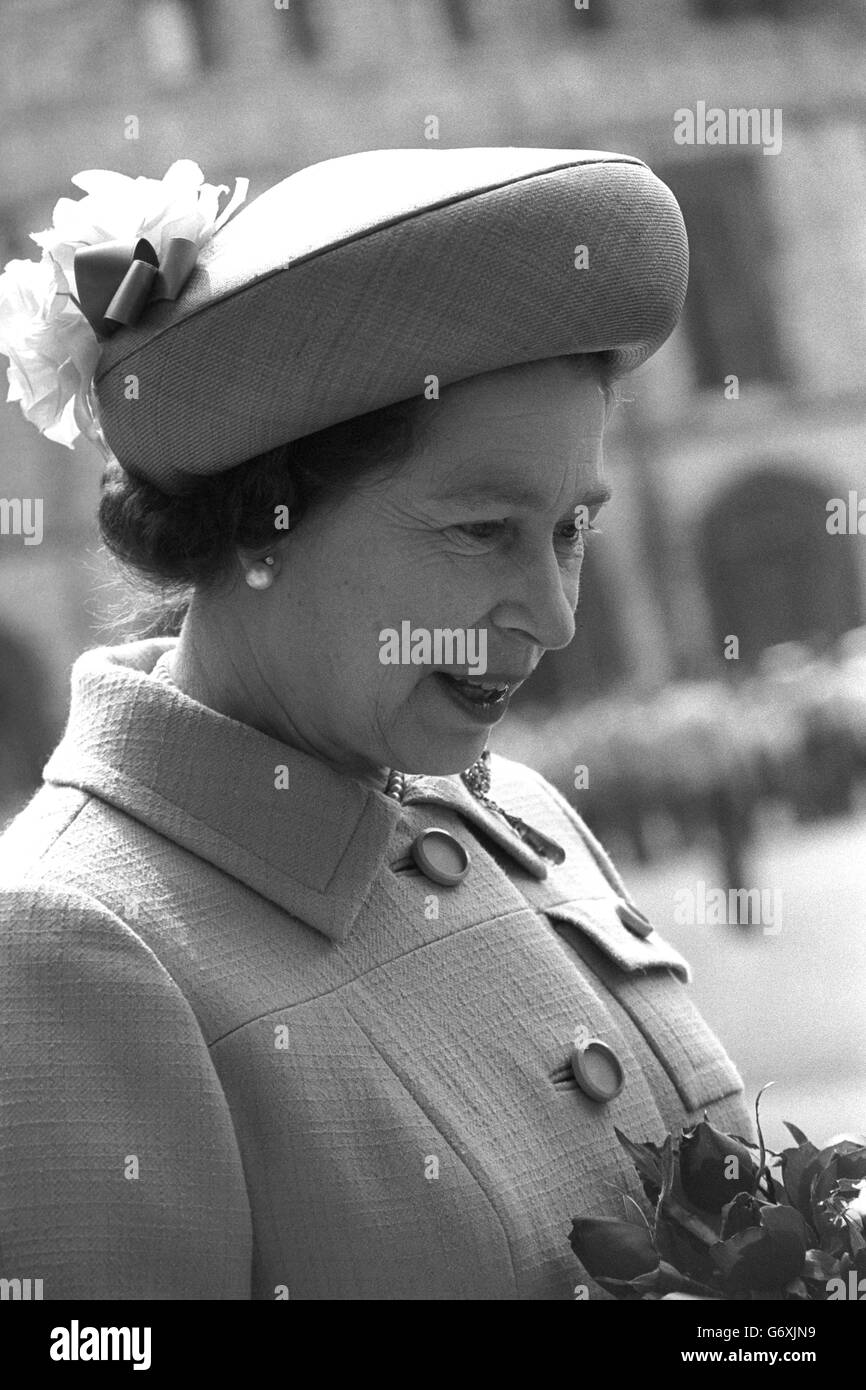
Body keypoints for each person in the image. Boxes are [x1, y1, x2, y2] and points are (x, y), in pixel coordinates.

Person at [0, 147, 751, 1300]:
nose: (552, 619)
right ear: (262, 527)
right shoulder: (66, 950)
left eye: (567, 530)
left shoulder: (519, 808)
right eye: (479, 531)